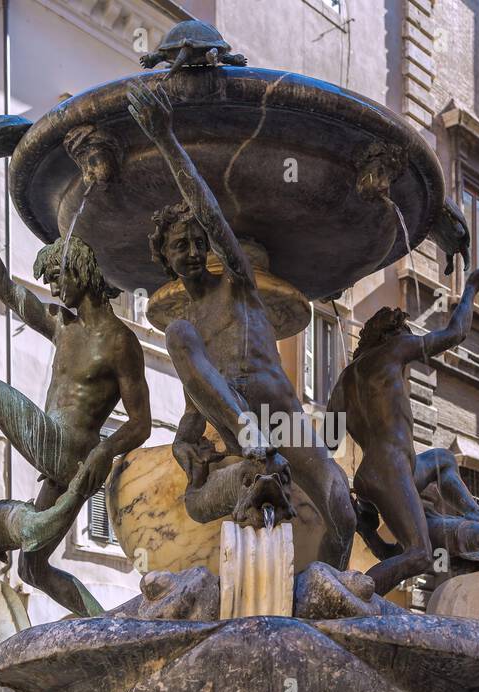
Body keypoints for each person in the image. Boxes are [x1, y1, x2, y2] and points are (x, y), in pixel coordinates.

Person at [127, 81, 356, 566]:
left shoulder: (238, 283)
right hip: (238, 428)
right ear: (164, 258)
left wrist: (166, 140)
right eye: (179, 245)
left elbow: (211, 213)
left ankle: (334, 594)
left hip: (280, 415)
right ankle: (255, 460)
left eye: (197, 242)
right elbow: (193, 410)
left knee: (344, 513)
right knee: (193, 500)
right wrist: (184, 443)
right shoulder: (185, 330)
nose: (192, 251)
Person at [0, 148, 152, 615]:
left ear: (82, 271)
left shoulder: (119, 342)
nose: (56, 289)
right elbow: (2, 284)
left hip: (70, 450)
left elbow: (141, 423)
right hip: (58, 458)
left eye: (61, 278)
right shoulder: (62, 327)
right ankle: (102, 629)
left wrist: (103, 452)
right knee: (33, 568)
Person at [327, 259, 479, 595]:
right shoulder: (393, 349)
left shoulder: (342, 383)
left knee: (442, 459)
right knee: (421, 555)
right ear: (393, 336)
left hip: (378, 471)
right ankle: (349, 599)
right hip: (392, 467)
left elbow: (328, 439)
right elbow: (456, 333)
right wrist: (470, 289)